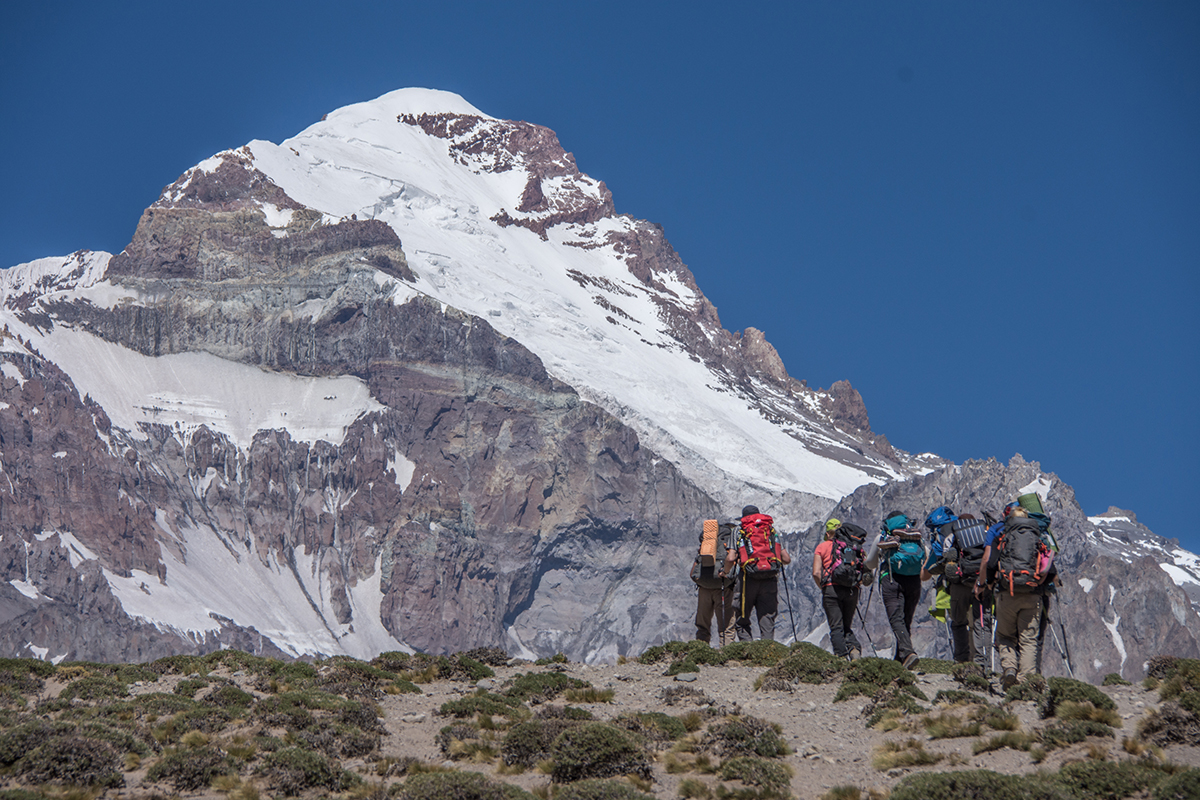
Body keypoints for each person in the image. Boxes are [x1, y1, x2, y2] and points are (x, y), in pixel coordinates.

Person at [976, 505, 1050, 688]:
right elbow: (1048, 564)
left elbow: (991, 563)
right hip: (1032, 593)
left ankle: (1009, 668)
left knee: (1004, 635)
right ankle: (1026, 681)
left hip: (1007, 591)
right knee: (1029, 638)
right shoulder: (1038, 537)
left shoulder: (1003, 535)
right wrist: (1040, 582)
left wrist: (986, 584)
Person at [865, 511, 926, 669]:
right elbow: (925, 556)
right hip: (914, 581)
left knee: (896, 619)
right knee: (906, 621)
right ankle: (901, 661)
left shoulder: (883, 537)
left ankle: (907, 653)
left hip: (891, 579)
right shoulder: (915, 537)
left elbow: (871, 563)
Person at [724, 505, 791, 641]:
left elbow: (731, 558)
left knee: (742, 618)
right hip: (769, 579)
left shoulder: (738, 530)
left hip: (746, 579)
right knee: (767, 618)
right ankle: (767, 653)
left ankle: (748, 652)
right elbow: (786, 559)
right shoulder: (771, 530)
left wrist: (725, 572)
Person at [939, 513, 993, 669]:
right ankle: (982, 663)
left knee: (958, 622)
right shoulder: (985, 532)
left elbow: (946, 556)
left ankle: (961, 660)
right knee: (981, 623)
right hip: (981, 583)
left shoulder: (952, 534)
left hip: (959, 585)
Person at [813, 518, 865, 660]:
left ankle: (841, 658)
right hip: (851, 589)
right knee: (846, 626)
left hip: (831, 589)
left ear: (828, 533)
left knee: (836, 626)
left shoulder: (822, 547)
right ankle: (854, 649)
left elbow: (816, 572)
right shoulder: (853, 547)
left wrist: (823, 587)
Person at [691, 521, 737, 646]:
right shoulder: (731, 542)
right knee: (726, 626)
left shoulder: (708, 543)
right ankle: (726, 655)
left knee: (702, 625)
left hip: (704, 586)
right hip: (724, 586)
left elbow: (693, 571)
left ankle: (700, 651)